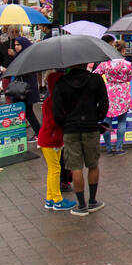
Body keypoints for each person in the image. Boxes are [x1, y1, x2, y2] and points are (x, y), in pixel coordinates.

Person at [53, 60, 109, 215]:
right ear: (85, 63)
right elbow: (104, 104)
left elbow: (56, 110)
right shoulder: (96, 79)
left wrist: (65, 124)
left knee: (75, 167)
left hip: (70, 129)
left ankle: (81, 205)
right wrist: (96, 118)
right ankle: (92, 201)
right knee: (93, 164)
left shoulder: (62, 82)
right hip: (90, 127)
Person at [37, 70, 75, 211]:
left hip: (52, 139)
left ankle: (50, 198)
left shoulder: (50, 100)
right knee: (55, 169)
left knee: (53, 169)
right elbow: (56, 121)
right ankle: (57, 200)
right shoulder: (55, 101)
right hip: (51, 139)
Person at [94, 38, 132, 155]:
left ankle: (109, 148)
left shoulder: (105, 64)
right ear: (123, 50)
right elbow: (130, 77)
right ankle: (119, 147)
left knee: (106, 121)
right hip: (123, 92)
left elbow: (95, 74)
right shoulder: (127, 64)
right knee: (122, 121)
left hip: (109, 92)